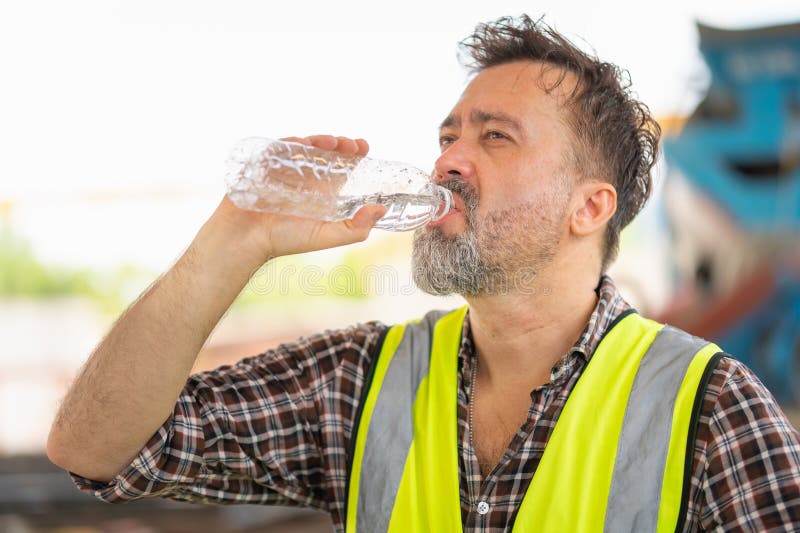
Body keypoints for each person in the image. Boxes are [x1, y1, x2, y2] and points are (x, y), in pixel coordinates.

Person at [47, 15, 800, 532]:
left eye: (495, 137)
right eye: (448, 135)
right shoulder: (360, 380)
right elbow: (96, 448)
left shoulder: (713, 408)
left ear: (589, 206)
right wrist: (232, 240)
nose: (447, 160)